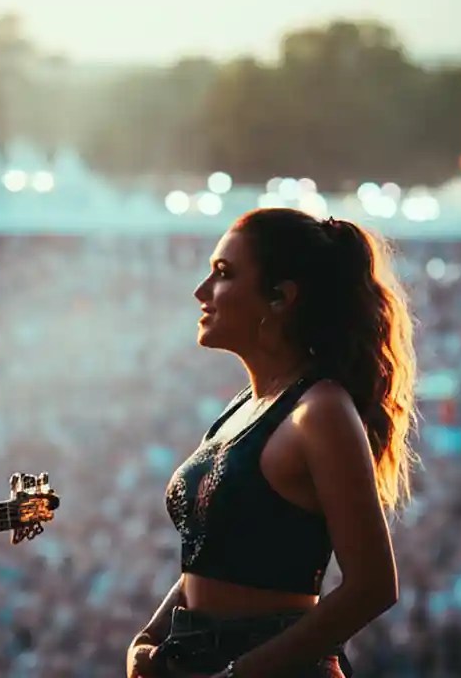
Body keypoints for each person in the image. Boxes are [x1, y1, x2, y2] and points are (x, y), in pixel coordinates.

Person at [127, 208, 418, 677]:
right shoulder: (245, 405)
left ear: (280, 297)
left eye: (223, 274)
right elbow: (209, 556)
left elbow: (373, 586)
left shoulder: (320, 410)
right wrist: (149, 638)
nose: (201, 292)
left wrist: (242, 674)